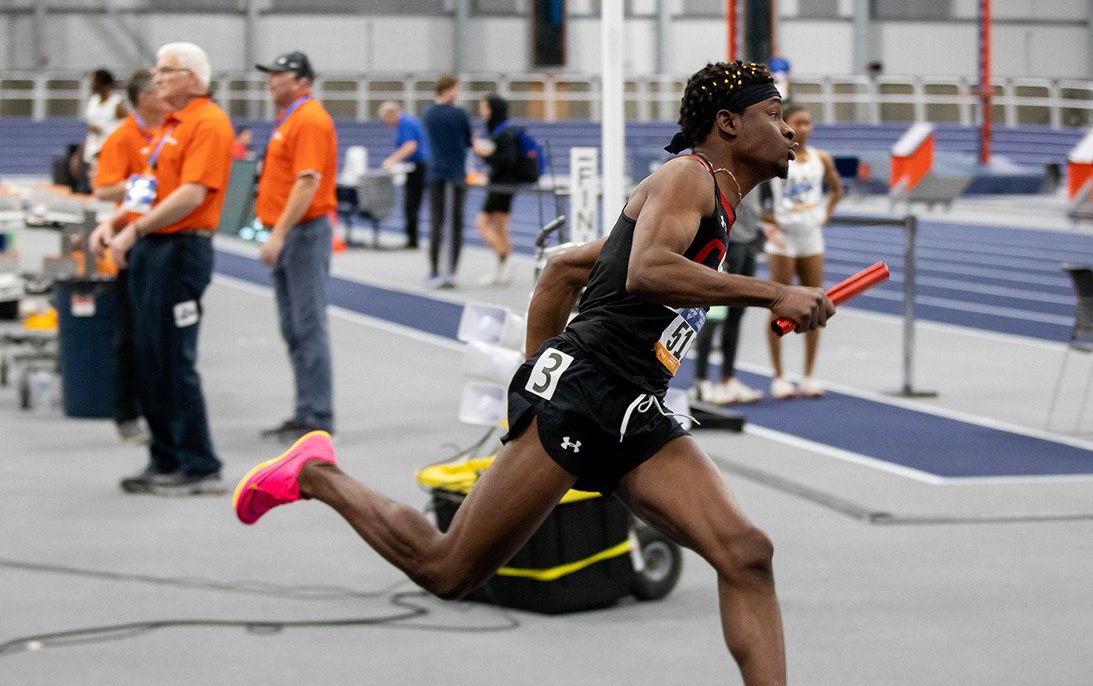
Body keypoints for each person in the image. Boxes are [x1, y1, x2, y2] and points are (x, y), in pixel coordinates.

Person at [234, 60, 833, 686]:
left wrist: (533, 375)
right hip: (587, 393)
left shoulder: (715, 204)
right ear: (728, 123)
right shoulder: (689, 176)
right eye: (774, 115)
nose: (790, 130)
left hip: (634, 406)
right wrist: (772, 294)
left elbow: (563, 272)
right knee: (447, 570)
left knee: (746, 553)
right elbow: (647, 271)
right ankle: (315, 473)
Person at [88, 41, 233, 496]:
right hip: (154, 248)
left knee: (173, 358)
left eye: (165, 70)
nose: (156, 78)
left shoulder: (208, 123)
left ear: (191, 78)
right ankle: (165, 456)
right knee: (149, 356)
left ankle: (199, 463)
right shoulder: (171, 126)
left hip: (180, 250)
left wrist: (134, 229)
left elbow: (191, 193)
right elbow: (148, 188)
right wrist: (116, 222)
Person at [252, 51, 339, 446]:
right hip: (293, 232)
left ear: (302, 81)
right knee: (294, 328)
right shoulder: (290, 119)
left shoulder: (308, 119)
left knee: (308, 326)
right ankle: (306, 411)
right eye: (269, 74)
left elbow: (307, 182)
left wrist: (278, 234)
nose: (270, 81)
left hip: (303, 233)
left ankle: (318, 416)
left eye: (279, 75)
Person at [91, 67, 168, 445]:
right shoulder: (123, 137)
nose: (166, 91)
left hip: (166, 237)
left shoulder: (170, 131)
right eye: (158, 87)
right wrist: (144, 186)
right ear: (144, 98)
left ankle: (160, 410)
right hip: (131, 239)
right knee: (130, 332)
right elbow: (103, 189)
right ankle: (126, 412)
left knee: (161, 333)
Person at [762, 103, 843, 399]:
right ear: (786, 125)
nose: (805, 128)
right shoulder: (773, 158)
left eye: (808, 122)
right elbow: (753, 199)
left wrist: (825, 214)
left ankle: (808, 376)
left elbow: (837, 189)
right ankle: (779, 376)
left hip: (811, 239)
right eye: (799, 122)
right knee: (778, 307)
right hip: (783, 241)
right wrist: (768, 221)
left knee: (814, 305)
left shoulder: (821, 158)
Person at [693, 185, 764, 404]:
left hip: (748, 242)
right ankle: (702, 382)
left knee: (736, 315)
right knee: (712, 316)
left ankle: (728, 378)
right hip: (727, 242)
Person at [422, 74, 472, 288]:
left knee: (436, 223)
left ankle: (434, 270)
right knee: (456, 224)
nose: (458, 93)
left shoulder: (428, 113)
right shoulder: (459, 113)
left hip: (436, 173)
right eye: (456, 89)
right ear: (448, 89)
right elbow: (469, 141)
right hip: (456, 174)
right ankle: (451, 271)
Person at [473, 93, 521, 286]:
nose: (481, 112)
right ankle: (502, 269)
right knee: (501, 226)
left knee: (482, 224)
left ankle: (506, 258)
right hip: (504, 183)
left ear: (493, 109)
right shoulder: (500, 130)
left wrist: (484, 154)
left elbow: (507, 161)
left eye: (484, 108)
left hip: (502, 185)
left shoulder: (504, 132)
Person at [378, 101, 427, 249]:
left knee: (412, 204)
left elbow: (410, 146)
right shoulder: (406, 122)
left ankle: (412, 240)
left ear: (391, 114)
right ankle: (411, 238)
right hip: (414, 166)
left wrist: (392, 160)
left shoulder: (405, 123)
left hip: (418, 166)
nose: (386, 123)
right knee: (410, 204)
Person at [82, 68, 127, 171]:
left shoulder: (116, 103)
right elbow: (89, 127)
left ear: (101, 82)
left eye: (93, 80)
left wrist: (104, 131)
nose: (90, 84)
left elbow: (126, 128)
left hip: (110, 151)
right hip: (92, 150)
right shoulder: (92, 101)